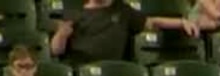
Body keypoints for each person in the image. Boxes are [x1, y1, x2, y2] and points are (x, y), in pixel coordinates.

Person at [50, 0, 201, 65]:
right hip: (80, 72)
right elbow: (56, 50)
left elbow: (153, 22)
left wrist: (182, 22)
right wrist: (62, 34)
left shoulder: (123, 11)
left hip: (114, 75)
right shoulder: (73, 13)